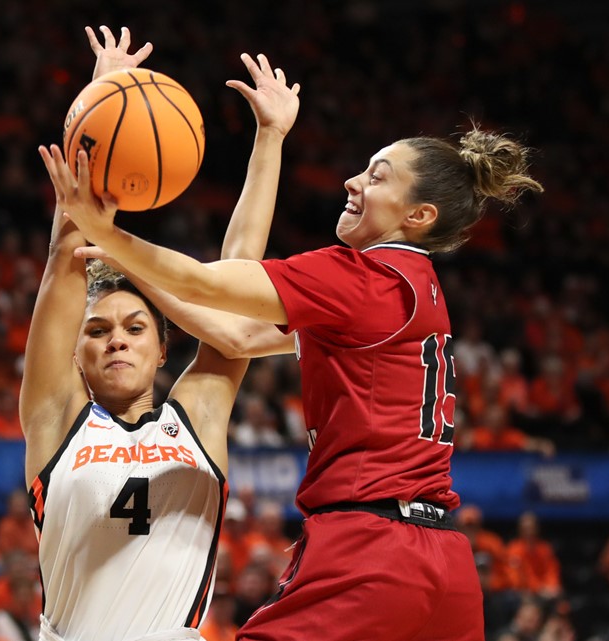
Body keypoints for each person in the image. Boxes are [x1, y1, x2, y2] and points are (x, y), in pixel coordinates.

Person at [57, 55, 543, 637]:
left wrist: (109, 233)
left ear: (418, 215)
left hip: (369, 553)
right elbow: (231, 332)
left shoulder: (364, 278)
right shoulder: (412, 290)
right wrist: (269, 139)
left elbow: (208, 283)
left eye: (377, 176)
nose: (353, 182)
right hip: (444, 564)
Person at [25, 25, 299, 641]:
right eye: (96, 330)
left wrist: (269, 139)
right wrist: (97, 110)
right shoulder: (55, 417)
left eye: (134, 326)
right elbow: (65, 258)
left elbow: (238, 278)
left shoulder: (196, 415)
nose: (116, 339)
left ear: (161, 348)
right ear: (76, 353)